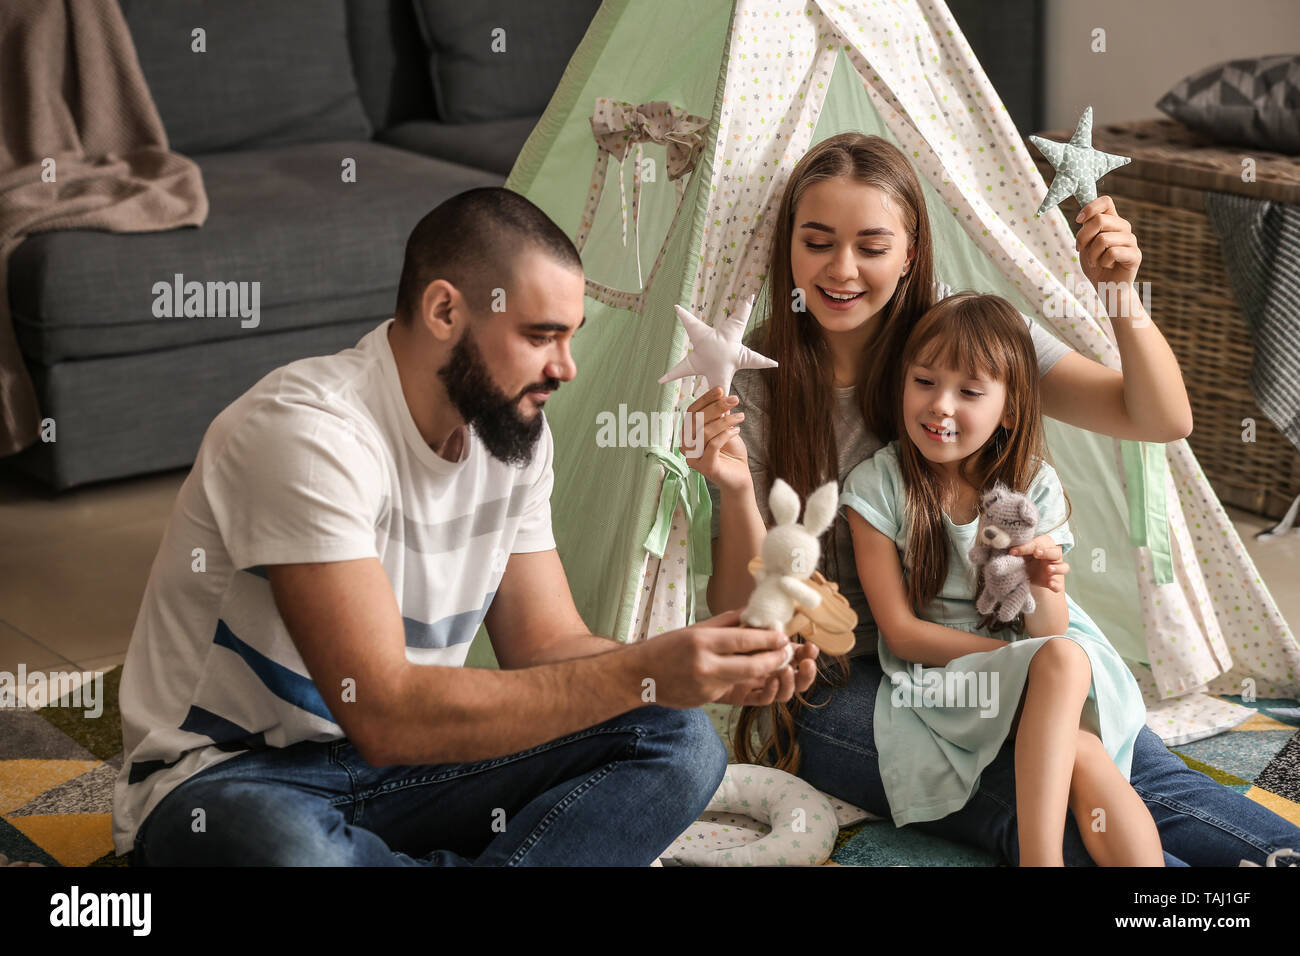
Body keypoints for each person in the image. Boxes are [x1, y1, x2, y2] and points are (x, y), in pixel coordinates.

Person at [113, 186, 817, 867]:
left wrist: (691, 671)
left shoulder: (513, 435)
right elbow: (383, 712)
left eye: (569, 338)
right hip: (235, 782)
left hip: (418, 768)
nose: (565, 368)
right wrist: (642, 670)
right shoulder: (306, 434)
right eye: (541, 336)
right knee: (275, 846)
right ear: (445, 310)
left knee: (680, 740)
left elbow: (545, 644)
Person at [694, 132, 1300, 866]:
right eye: (816, 242)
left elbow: (1160, 418)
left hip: (1013, 642)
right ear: (786, 246)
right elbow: (737, 610)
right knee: (1039, 808)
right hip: (850, 678)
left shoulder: (960, 340)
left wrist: (1118, 293)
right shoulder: (755, 383)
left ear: (911, 253)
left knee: (1140, 777)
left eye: (872, 245)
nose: (842, 269)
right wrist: (728, 489)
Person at [839, 292, 1161, 866]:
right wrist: (1024, 666)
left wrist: (1040, 583)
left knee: (1084, 745)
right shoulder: (877, 485)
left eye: (969, 392)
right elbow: (903, 634)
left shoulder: (1031, 486)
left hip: (1043, 662)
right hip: (951, 673)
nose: (941, 407)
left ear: (1010, 409)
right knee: (1060, 669)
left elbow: (1050, 628)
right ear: (901, 383)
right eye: (924, 382)